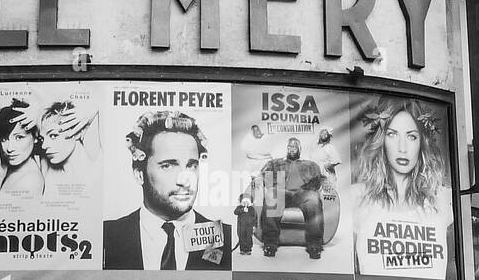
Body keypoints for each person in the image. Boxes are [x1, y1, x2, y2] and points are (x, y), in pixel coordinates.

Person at [103, 111, 231, 271]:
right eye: (167, 166)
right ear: (139, 174)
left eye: (191, 166)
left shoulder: (225, 239)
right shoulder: (105, 237)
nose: (185, 180)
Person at [351, 98, 450, 276]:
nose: (402, 148)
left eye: (411, 136)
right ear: (380, 140)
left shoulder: (443, 199)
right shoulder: (357, 197)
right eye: (392, 134)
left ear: (422, 142)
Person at [258, 137, 326, 259]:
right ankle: (270, 244)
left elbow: (319, 180)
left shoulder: (310, 165)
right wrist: (276, 185)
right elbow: (264, 177)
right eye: (290, 146)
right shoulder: (276, 163)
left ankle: (314, 245)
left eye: (295, 146)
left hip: (303, 193)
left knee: (314, 199)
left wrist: (309, 187)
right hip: (283, 193)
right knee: (272, 195)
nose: (292, 149)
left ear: (300, 149)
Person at [0, 100, 44, 196]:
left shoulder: (29, 181)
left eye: (19, 137)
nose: (9, 148)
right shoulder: (11, 171)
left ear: (35, 137)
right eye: (4, 139)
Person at [233, 190, 257, 255]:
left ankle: (248, 249)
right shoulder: (239, 207)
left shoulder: (252, 209)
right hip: (241, 226)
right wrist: (242, 210)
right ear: (241, 202)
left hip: (249, 226)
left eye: (247, 202)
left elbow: (255, 217)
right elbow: (235, 212)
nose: (246, 203)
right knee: (242, 237)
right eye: (244, 201)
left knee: (249, 237)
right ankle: (242, 249)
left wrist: (255, 226)